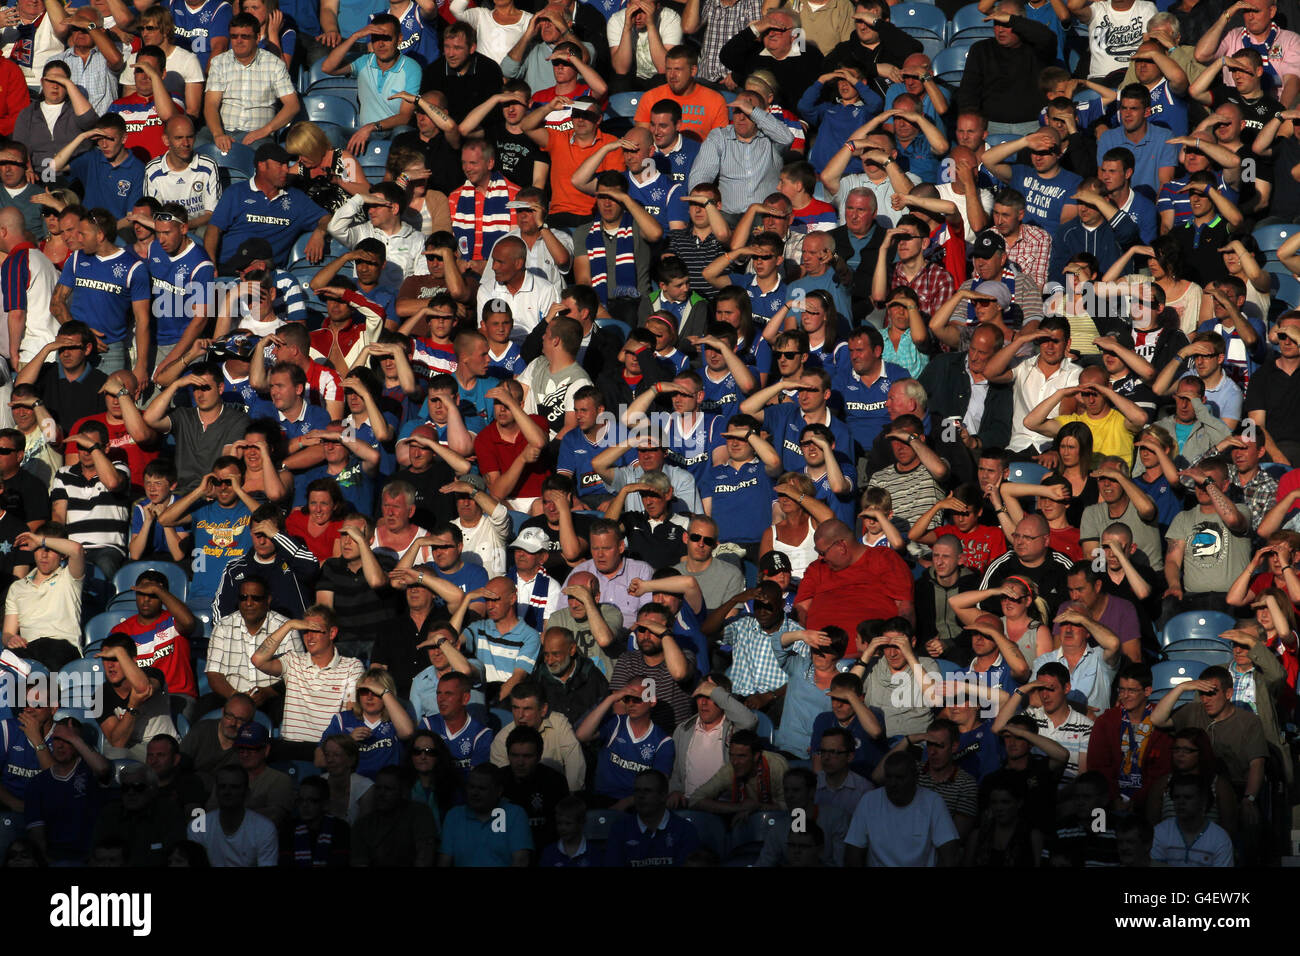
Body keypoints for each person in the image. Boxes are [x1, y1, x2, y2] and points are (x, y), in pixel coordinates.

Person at [250, 605, 366, 761]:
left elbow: (350, 713)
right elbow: (258, 660)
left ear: (332, 633)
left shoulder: (352, 666)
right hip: (290, 748)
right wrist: (289, 626)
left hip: (328, 749)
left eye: (315, 630)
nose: (309, 637)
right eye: (305, 630)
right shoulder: (293, 661)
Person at [844, 750, 961, 866]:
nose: (893, 783)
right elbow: (853, 850)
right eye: (889, 777)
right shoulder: (869, 801)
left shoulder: (933, 802)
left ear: (915, 777)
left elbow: (949, 854)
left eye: (900, 778)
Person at [2, 526, 84, 671]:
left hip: (61, 648)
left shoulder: (69, 578)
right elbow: (8, 633)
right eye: (39, 548)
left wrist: (40, 541)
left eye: (49, 549)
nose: (43, 555)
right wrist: (11, 639)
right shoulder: (17, 587)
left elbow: (76, 550)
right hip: (28, 650)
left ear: (63, 555)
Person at [437, 763, 533, 866]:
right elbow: (444, 862)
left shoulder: (515, 815)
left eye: (482, 788)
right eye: (471, 787)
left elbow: (521, 861)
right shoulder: (454, 816)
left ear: (499, 791)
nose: (475, 793)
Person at [604, 768, 701, 866]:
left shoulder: (685, 831)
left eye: (647, 791)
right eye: (637, 790)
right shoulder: (620, 830)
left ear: (663, 796)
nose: (640, 796)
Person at [188, 764, 279, 867]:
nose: (227, 792)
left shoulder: (265, 828)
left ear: (246, 792)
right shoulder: (198, 826)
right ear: (216, 792)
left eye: (234, 787)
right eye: (222, 786)